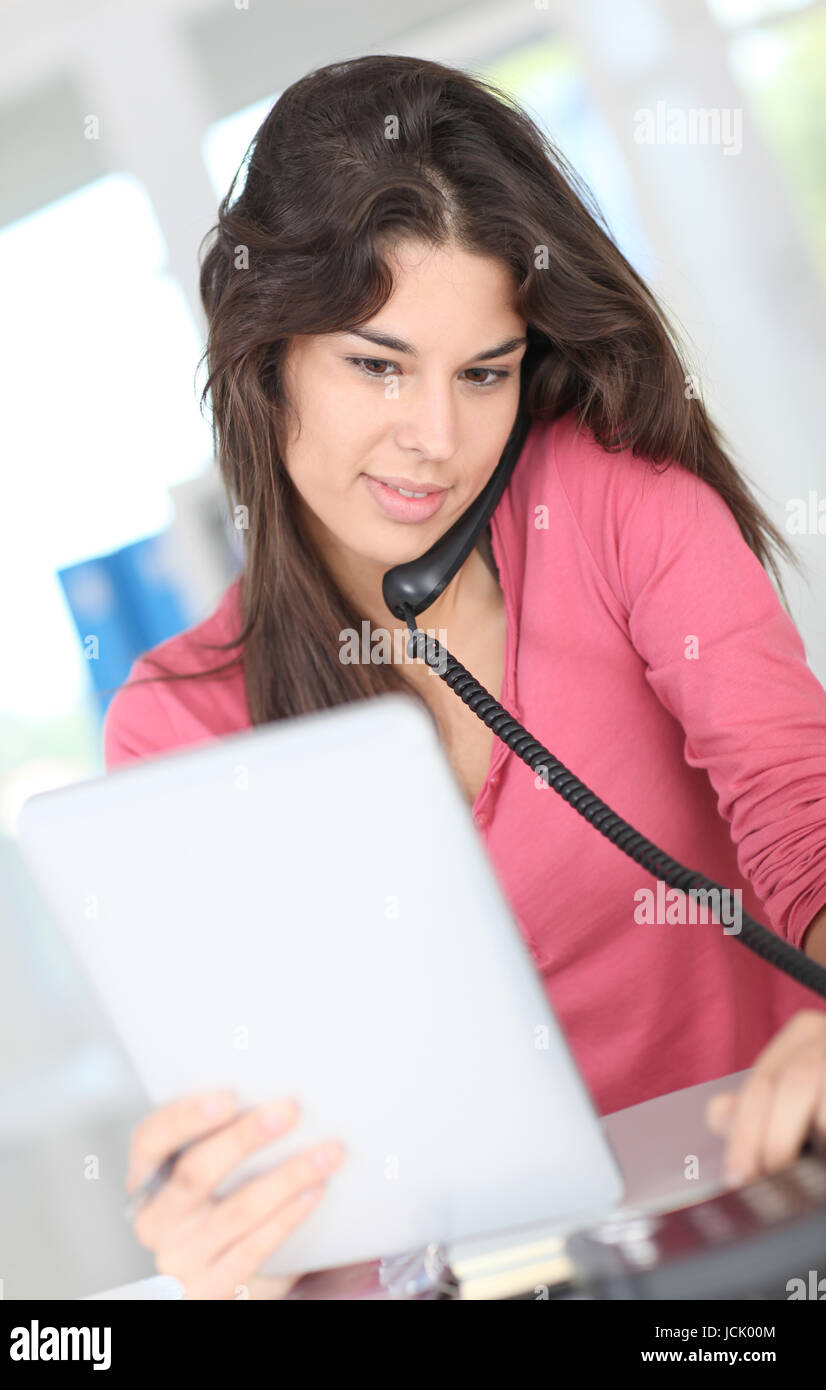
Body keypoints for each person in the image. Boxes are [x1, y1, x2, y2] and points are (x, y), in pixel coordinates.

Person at [102, 55, 826, 1300]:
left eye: (481, 371)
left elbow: (800, 810)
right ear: (264, 354)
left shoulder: (615, 505)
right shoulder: (177, 722)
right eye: (376, 364)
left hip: (751, 1254)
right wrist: (229, 1259)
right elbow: (286, 1146)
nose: (434, 439)